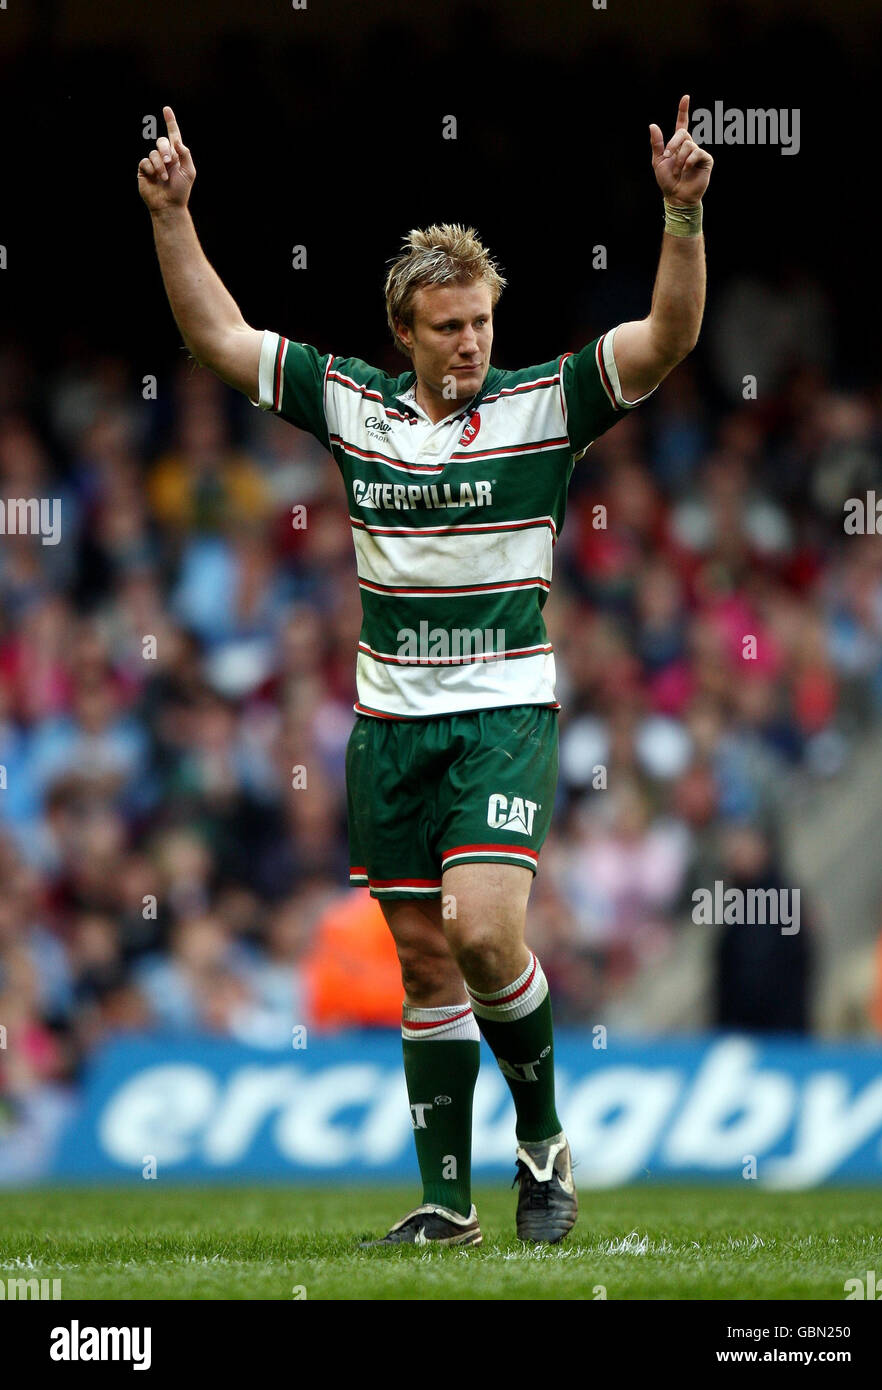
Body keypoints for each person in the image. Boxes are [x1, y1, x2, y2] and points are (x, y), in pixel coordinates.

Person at [138, 96, 712, 1246]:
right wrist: (172, 217)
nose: (469, 343)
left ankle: (542, 1144)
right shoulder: (351, 404)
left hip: (502, 711)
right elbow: (220, 339)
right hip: (387, 723)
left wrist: (682, 216)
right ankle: (447, 1204)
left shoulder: (545, 405)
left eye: (481, 322)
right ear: (403, 331)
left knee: (487, 929)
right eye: (447, 326)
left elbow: (665, 339)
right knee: (419, 958)